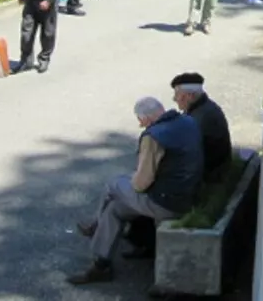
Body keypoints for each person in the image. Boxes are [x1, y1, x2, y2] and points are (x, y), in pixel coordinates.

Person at [69, 97, 204, 286]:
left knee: (113, 184)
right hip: (188, 194)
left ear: (147, 119)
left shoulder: (153, 136)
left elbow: (141, 183)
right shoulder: (187, 122)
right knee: (114, 208)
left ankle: (95, 228)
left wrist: (132, 180)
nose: (140, 124)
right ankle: (101, 264)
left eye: (139, 119)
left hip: (165, 203)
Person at [170, 72, 232, 175]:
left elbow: (189, 151)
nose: (174, 99)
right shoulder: (201, 108)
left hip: (210, 174)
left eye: (177, 94)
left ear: (190, 96)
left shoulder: (202, 117)